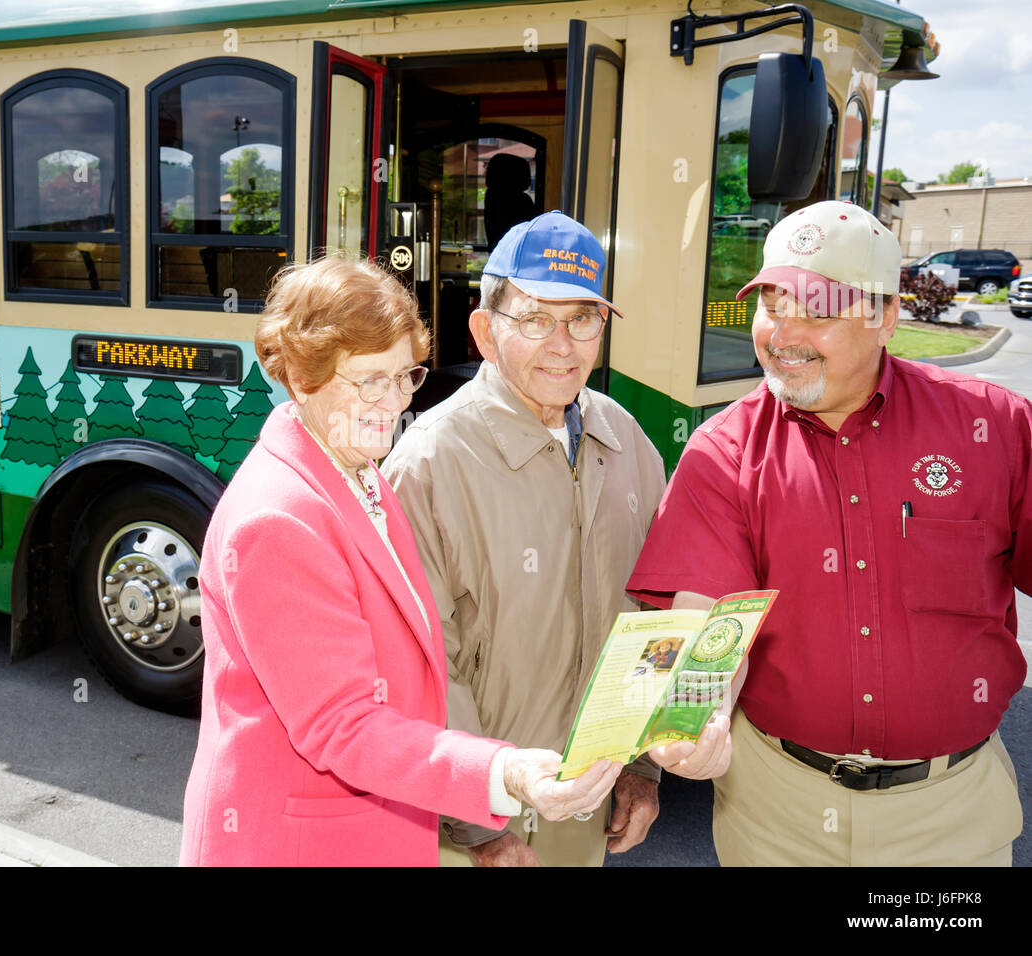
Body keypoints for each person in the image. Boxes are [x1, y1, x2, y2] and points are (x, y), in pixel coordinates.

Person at [178, 256, 621, 866]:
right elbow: (343, 725)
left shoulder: (356, 469)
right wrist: (504, 769)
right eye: (368, 380)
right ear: (302, 378)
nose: (392, 402)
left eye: (404, 376)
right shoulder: (276, 520)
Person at [627, 199, 1029, 866]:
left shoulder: (997, 427)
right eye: (771, 305)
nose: (782, 334)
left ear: (887, 317)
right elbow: (700, 619)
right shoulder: (721, 450)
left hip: (952, 814)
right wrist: (683, 719)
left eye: (816, 311)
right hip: (776, 815)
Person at [384, 211, 732, 868]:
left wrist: (638, 769)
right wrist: (479, 824)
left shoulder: (627, 440)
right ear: (486, 331)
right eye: (536, 319)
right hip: (468, 823)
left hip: (583, 806)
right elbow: (423, 664)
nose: (563, 344)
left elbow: (649, 622)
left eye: (582, 320)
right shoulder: (428, 465)